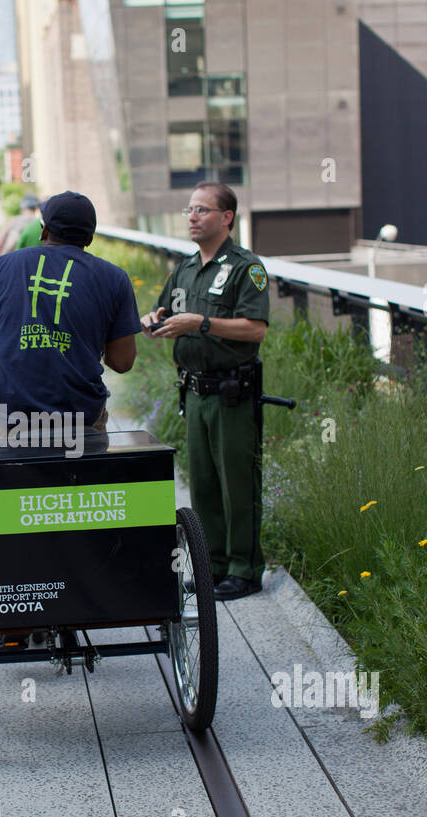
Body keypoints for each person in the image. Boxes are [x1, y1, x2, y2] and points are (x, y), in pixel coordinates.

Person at [141, 182, 271, 601]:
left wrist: (201, 323)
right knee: (203, 483)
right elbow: (168, 314)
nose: (192, 217)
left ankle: (245, 569)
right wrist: (154, 320)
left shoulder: (246, 268)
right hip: (194, 392)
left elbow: (255, 329)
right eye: (189, 210)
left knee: (238, 482)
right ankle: (212, 565)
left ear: (226, 217)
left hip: (233, 392)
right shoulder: (185, 268)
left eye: (202, 210)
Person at [0, 190, 139, 440]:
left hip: (8, 419)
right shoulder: (114, 279)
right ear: (89, 238)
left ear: (44, 231)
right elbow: (122, 362)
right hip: (80, 421)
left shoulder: (2, 266)